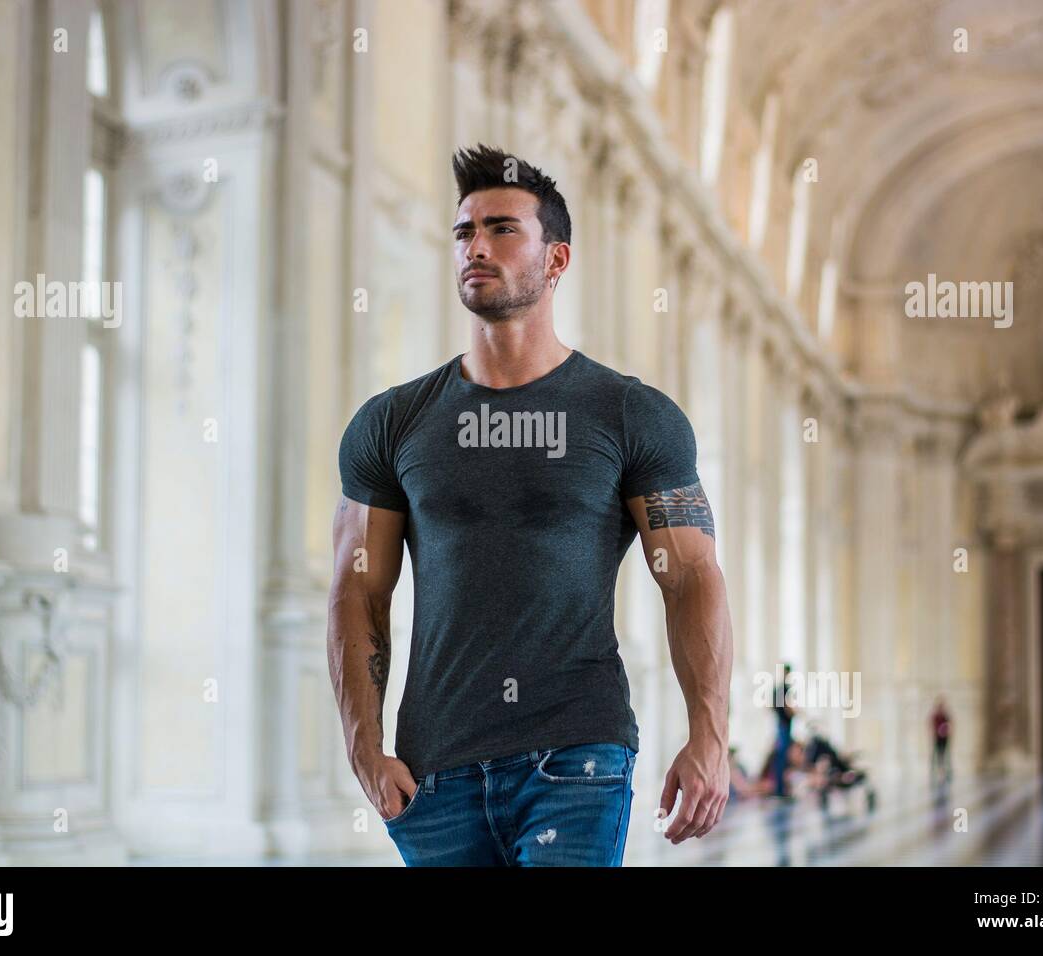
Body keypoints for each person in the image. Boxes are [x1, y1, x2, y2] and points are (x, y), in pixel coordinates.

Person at [328, 144, 735, 866]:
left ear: (557, 260)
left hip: (576, 759)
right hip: (436, 773)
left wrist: (710, 733)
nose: (475, 246)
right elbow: (358, 588)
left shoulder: (631, 414)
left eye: (502, 229)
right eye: (464, 232)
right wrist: (364, 744)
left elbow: (691, 576)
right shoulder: (391, 423)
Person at [772, 664, 796, 798]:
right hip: (784, 726)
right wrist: (795, 713)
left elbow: (771, 706)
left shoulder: (777, 689)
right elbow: (788, 706)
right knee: (782, 757)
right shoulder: (784, 688)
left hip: (780, 725)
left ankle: (780, 788)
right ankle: (781, 790)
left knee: (780, 757)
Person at [930, 695, 951, 784]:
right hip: (937, 737)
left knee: (943, 755)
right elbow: (932, 726)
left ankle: (943, 773)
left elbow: (949, 725)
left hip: (944, 738)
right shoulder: (936, 716)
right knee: (938, 755)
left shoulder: (945, 715)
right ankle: (938, 773)